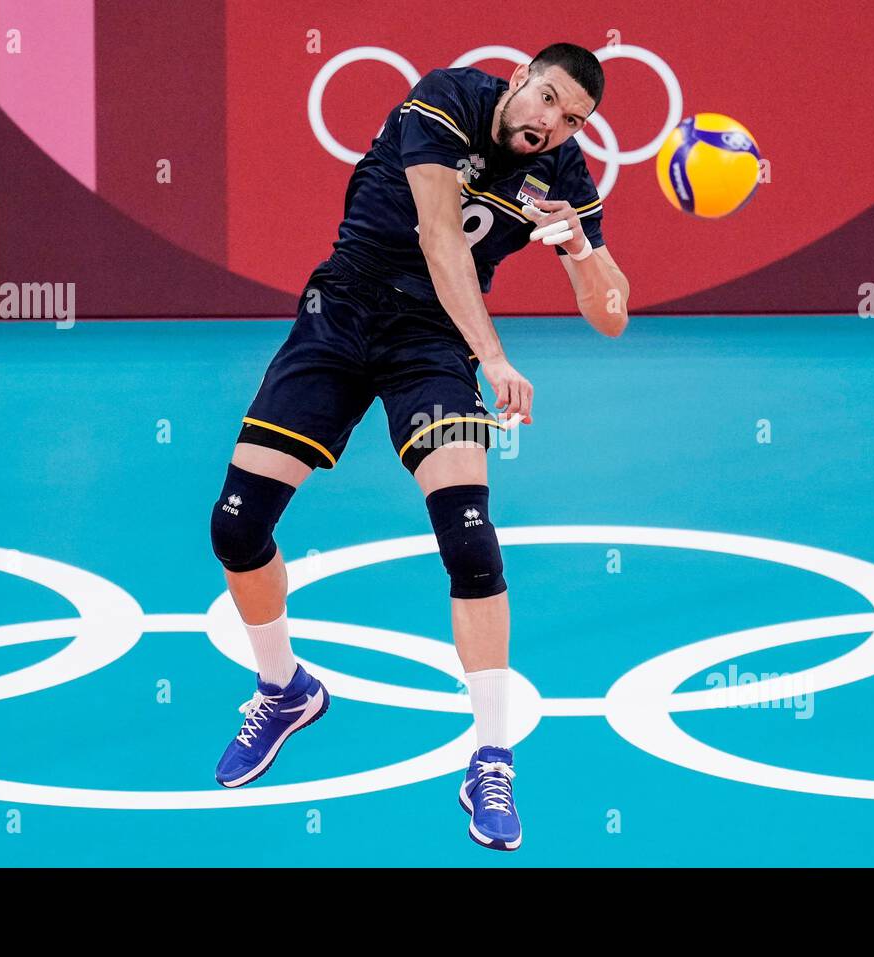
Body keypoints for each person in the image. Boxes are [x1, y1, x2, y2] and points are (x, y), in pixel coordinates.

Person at [210, 42, 629, 851]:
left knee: (470, 541)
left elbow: (612, 313)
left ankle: (492, 758)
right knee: (235, 528)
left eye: (573, 118)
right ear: (520, 79)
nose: (552, 124)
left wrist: (580, 249)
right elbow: (440, 238)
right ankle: (284, 688)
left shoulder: (565, 176)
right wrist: (498, 357)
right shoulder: (447, 99)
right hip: (344, 310)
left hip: (433, 345)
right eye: (546, 99)